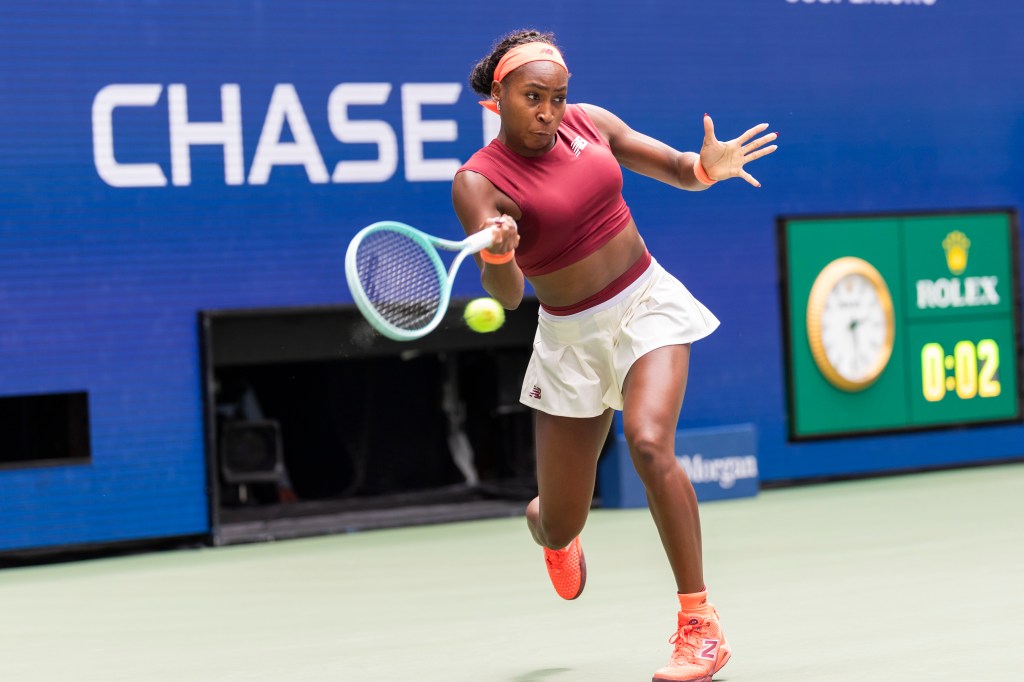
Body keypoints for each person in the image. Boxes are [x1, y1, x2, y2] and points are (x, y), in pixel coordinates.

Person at [452, 29, 777, 682]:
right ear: (498, 98)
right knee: (561, 517)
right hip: (568, 342)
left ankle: (699, 626)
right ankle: (550, 527)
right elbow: (509, 295)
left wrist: (707, 167)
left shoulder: (589, 125)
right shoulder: (477, 183)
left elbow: (682, 169)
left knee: (650, 443)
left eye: (558, 96)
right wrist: (498, 252)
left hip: (646, 305)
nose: (549, 112)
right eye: (533, 98)